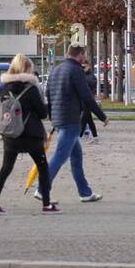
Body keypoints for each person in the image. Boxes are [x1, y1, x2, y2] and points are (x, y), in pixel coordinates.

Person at [0, 54, 61, 215]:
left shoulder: (4, 88)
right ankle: (47, 204)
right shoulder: (31, 88)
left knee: (6, 168)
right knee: (42, 167)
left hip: (10, 135)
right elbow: (42, 114)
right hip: (30, 135)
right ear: (27, 69)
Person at [44, 45, 108, 203]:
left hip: (59, 119)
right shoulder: (75, 70)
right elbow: (86, 97)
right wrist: (102, 116)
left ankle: (85, 192)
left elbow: (48, 95)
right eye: (84, 55)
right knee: (60, 156)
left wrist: (52, 117)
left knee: (76, 157)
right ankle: (42, 188)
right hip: (70, 119)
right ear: (79, 54)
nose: (84, 58)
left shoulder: (56, 70)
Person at [79, 60, 100, 143]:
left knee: (84, 119)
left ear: (88, 66)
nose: (83, 68)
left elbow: (90, 86)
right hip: (84, 100)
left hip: (88, 100)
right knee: (89, 119)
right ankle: (95, 137)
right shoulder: (83, 76)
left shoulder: (91, 77)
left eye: (84, 67)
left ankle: (78, 137)